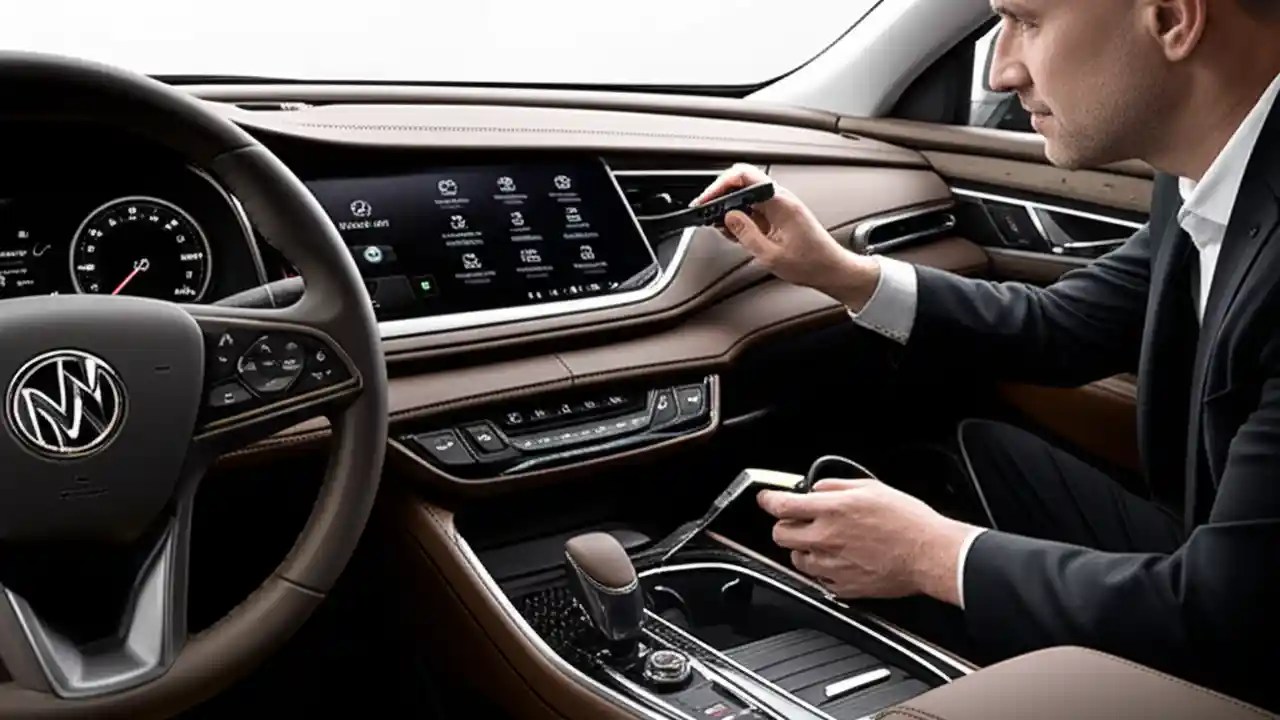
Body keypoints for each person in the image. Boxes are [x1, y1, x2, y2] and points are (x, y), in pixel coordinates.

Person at [691, 0, 1280, 709]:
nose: (1000, 71)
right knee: (963, 451)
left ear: (1171, 18)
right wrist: (839, 272)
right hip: (1218, 565)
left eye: (1026, 21)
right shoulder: (1207, 170)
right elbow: (1064, 327)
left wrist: (929, 555)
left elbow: (1225, 621)